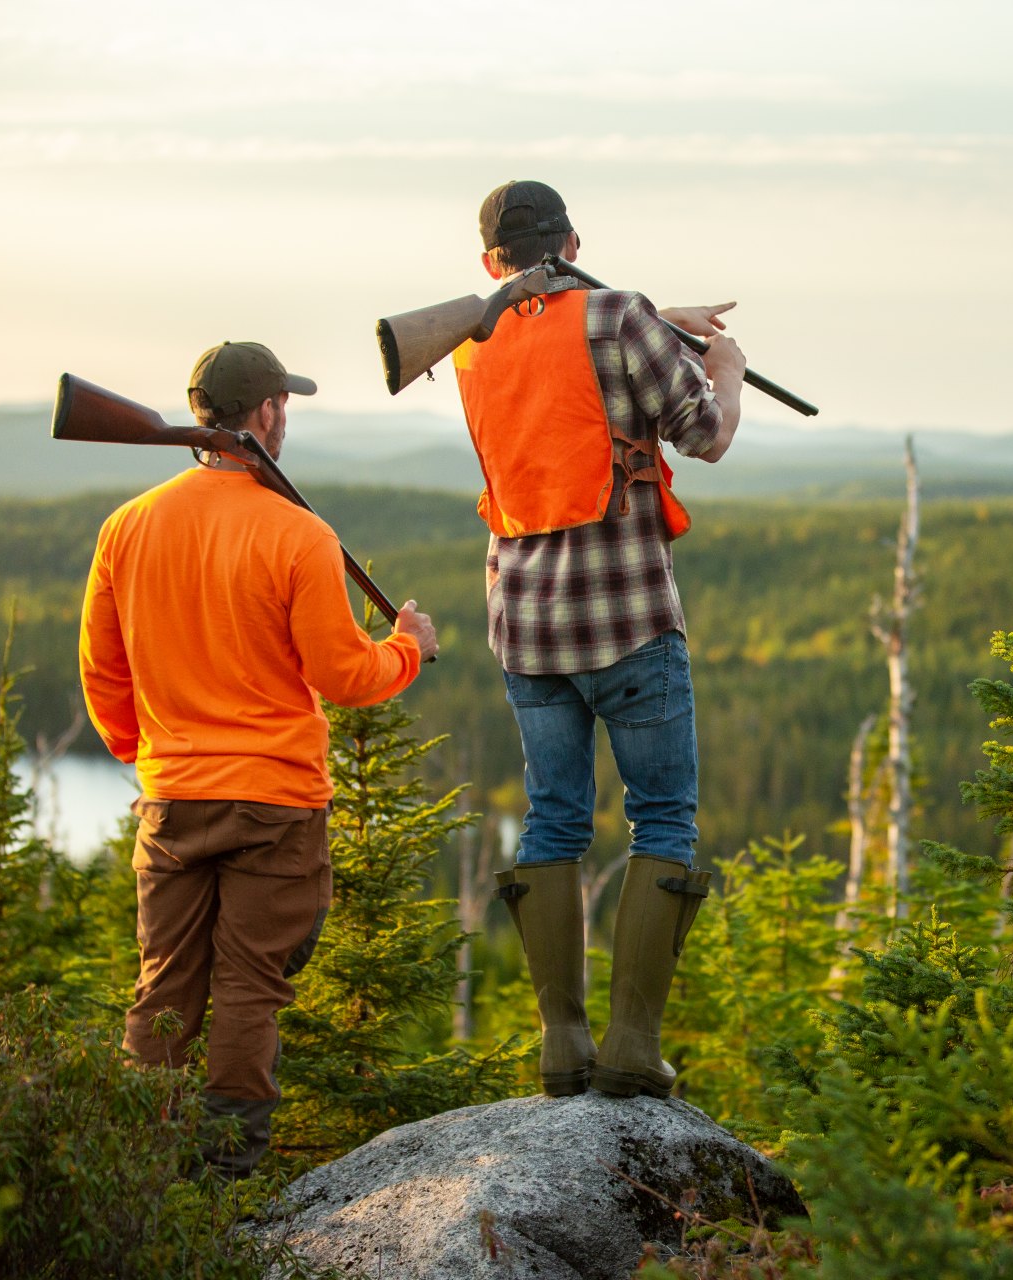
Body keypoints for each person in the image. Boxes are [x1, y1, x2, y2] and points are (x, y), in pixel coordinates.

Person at [78, 341, 439, 1176]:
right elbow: (344, 677)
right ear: (268, 412)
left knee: (162, 988)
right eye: (288, 405)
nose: (289, 419)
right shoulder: (298, 534)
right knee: (249, 988)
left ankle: (137, 1169)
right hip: (275, 807)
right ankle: (227, 1176)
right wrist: (407, 648)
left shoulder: (126, 526)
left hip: (172, 802)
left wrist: (153, 756)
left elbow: (103, 672)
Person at [458, 179, 744, 1100]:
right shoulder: (617, 317)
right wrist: (726, 366)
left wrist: (654, 312)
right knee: (661, 818)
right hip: (626, 615)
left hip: (527, 625)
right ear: (575, 236)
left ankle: (562, 1046)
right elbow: (705, 435)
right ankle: (631, 1048)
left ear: (487, 262)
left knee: (553, 820)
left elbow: (557, 342)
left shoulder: (470, 338)